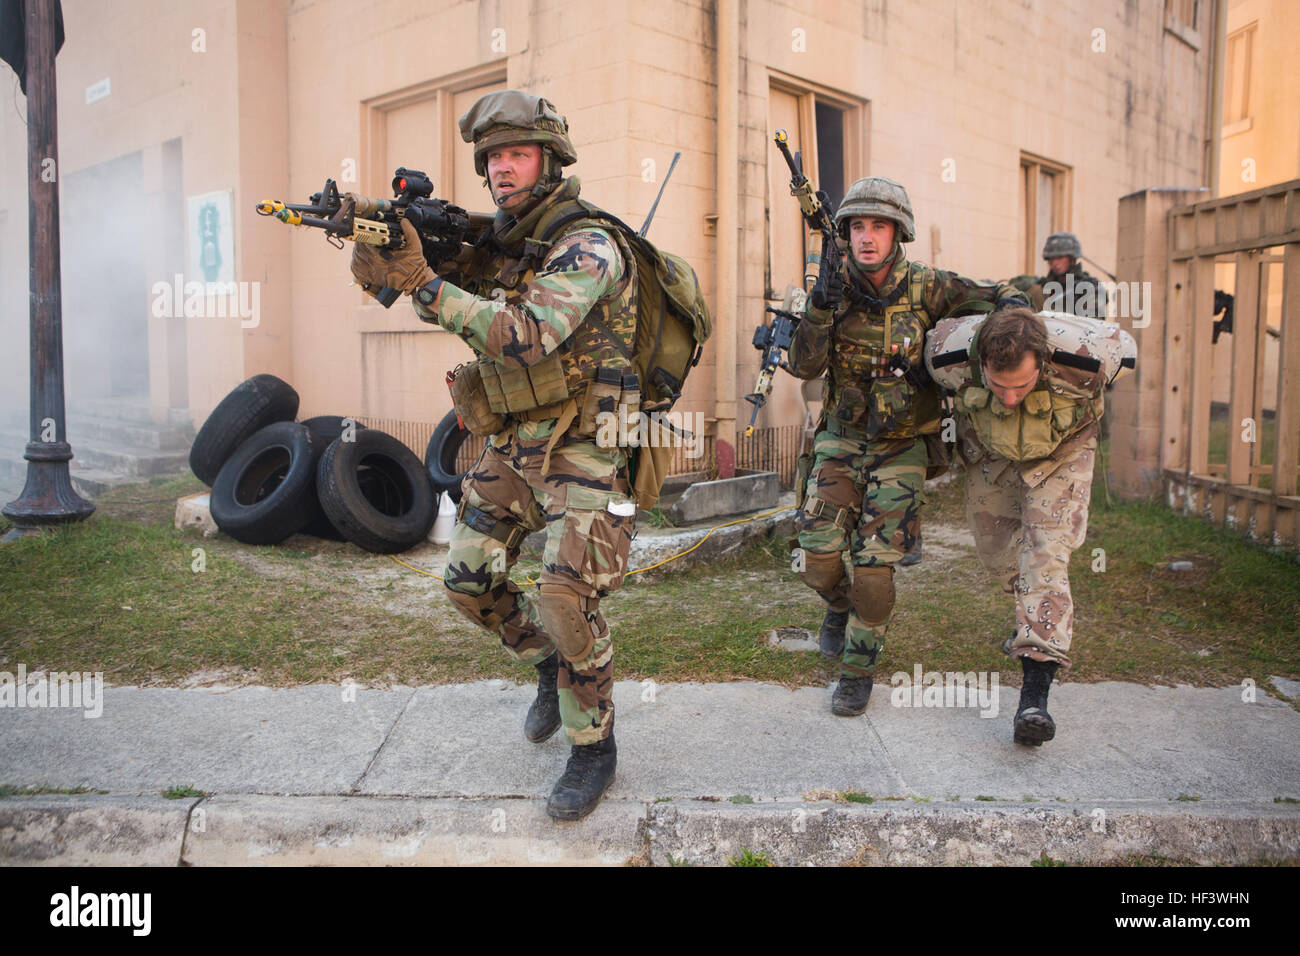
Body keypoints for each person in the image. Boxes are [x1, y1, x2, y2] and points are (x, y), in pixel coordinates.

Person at [349, 90, 640, 819]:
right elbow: (447, 303)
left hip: (590, 443)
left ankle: (593, 747)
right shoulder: (502, 245)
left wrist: (426, 281)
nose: (503, 169)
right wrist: (385, 260)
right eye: (493, 158)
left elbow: (522, 333)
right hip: (518, 437)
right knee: (467, 579)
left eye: (517, 153)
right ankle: (549, 667)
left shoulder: (588, 244)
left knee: (566, 597)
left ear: (549, 160)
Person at [784, 176, 1027, 716]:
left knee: (874, 567)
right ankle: (838, 607)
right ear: (845, 233)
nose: (867, 237)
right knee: (816, 562)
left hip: (902, 448)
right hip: (840, 441)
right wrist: (820, 307)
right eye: (857, 226)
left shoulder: (927, 286)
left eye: (879, 225)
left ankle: (858, 668)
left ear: (899, 233)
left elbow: (999, 296)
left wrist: (1020, 316)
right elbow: (802, 366)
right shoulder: (830, 283)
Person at [927, 306, 1133, 745]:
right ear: (980, 364)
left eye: (1020, 386)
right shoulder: (947, 354)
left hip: (1063, 450)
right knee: (996, 551)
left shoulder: (1089, 358)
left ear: (1041, 365)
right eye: (998, 386)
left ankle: (1034, 696)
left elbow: (1128, 352)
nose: (1008, 397)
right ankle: (1028, 614)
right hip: (990, 450)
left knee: (1046, 558)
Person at [1009, 232, 1108, 318]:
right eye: (1052, 258)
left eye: (1060, 257)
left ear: (1072, 259)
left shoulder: (1091, 288)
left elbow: (1093, 325)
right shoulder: (1043, 285)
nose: (1055, 263)